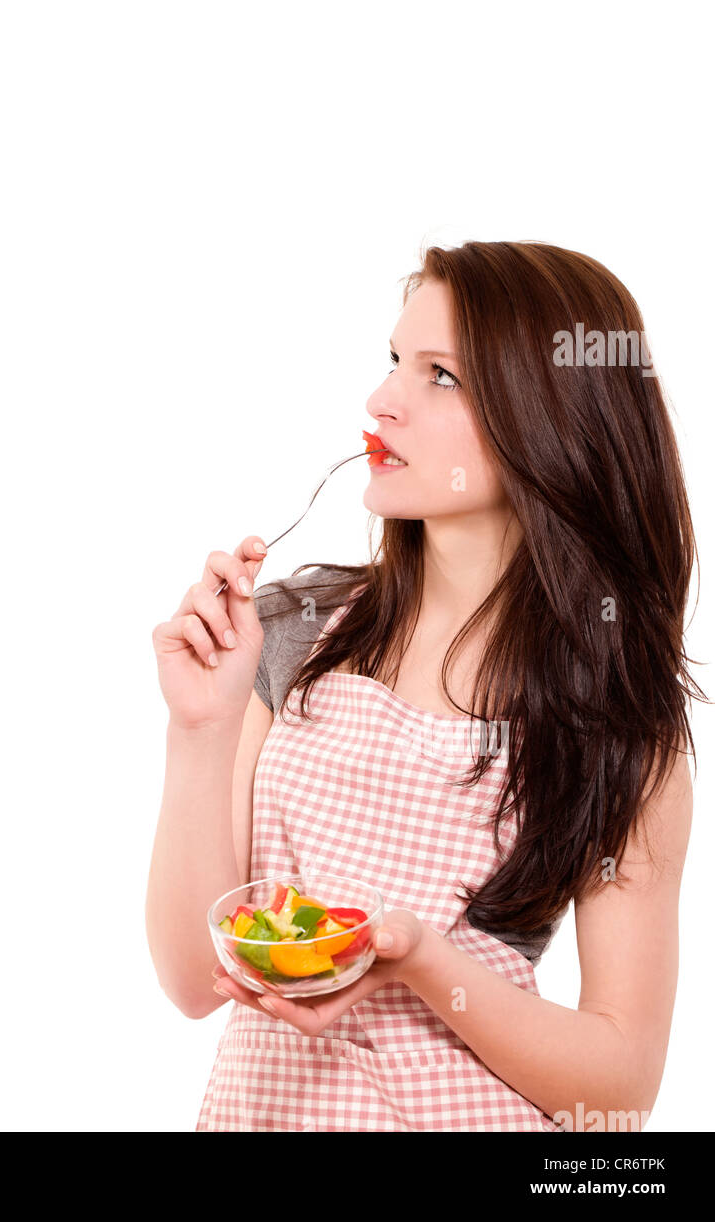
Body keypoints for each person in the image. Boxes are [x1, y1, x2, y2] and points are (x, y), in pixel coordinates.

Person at [146, 239, 699, 1132]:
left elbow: (620, 1089)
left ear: (549, 421)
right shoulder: (293, 633)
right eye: (395, 361)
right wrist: (199, 731)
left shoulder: (618, 722)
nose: (382, 401)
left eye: (440, 376)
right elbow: (190, 982)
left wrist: (417, 959)